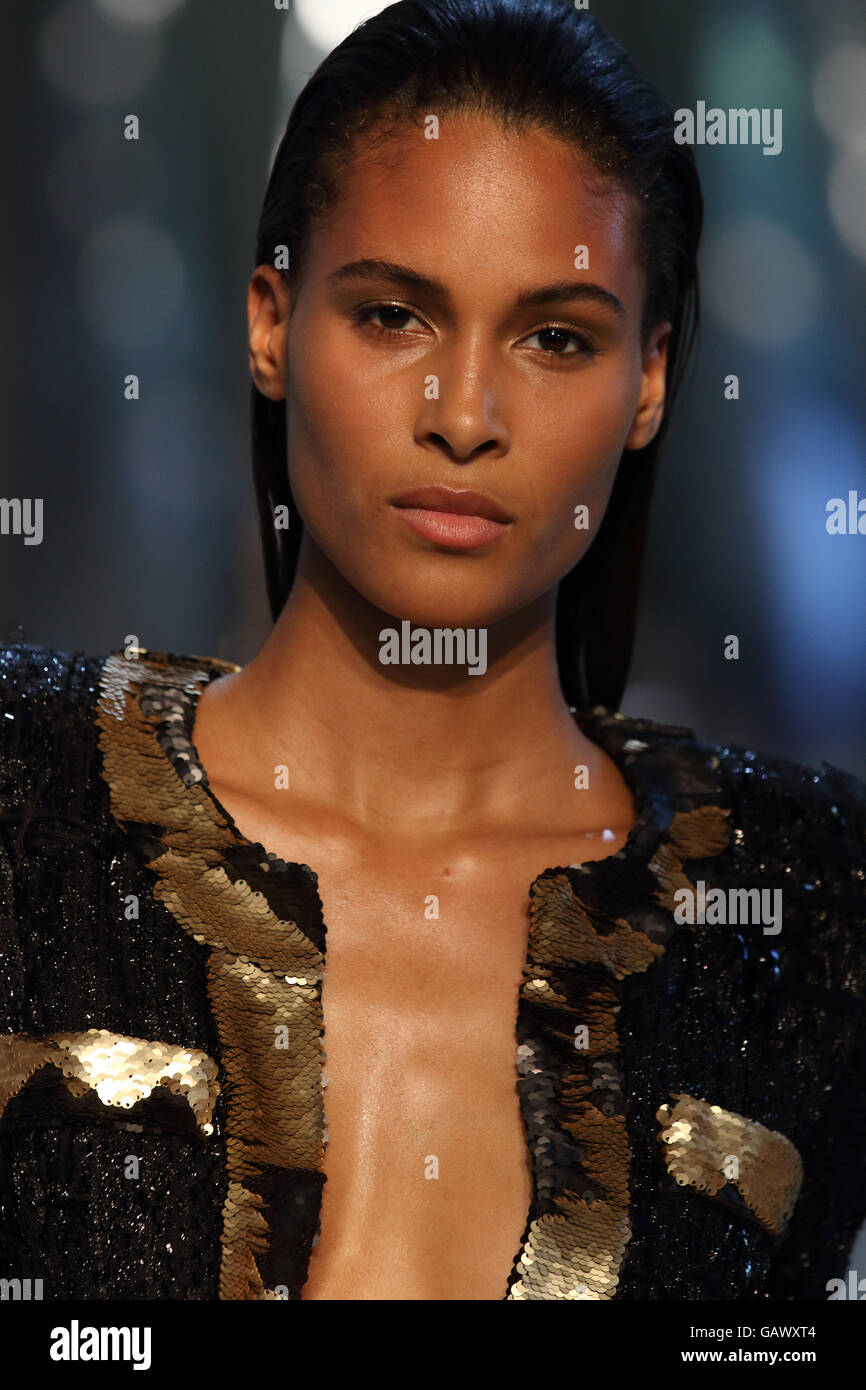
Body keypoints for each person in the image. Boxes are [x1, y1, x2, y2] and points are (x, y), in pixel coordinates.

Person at [0, 0, 864, 1303]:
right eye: (394, 315)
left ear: (647, 381)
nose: (464, 416)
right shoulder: (24, 801)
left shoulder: (806, 901)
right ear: (269, 324)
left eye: (555, 336)